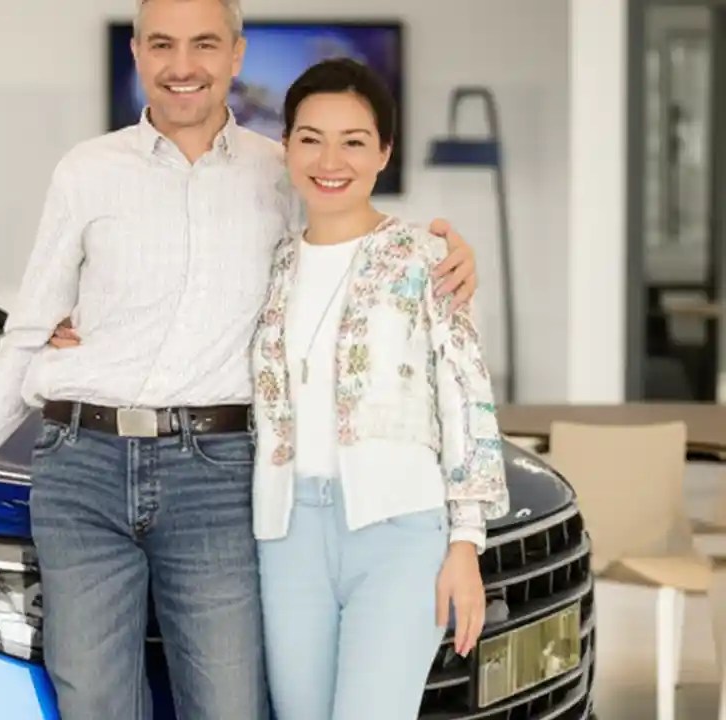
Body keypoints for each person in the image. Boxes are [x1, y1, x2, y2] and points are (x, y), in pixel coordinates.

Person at [0, 1, 479, 717]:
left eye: (205, 44)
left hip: (214, 473)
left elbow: (350, 242)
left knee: (230, 703)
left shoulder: (282, 170)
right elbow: (26, 336)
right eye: (163, 45)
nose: (183, 66)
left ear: (237, 56)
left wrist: (446, 256)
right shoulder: (86, 172)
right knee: (94, 701)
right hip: (79, 464)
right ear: (138, 54)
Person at [249, 58, 509, 719]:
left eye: (354, 141)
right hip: (287, 536)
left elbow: (465, 397)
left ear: (384, 152)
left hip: (400, 534)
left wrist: (466, 544)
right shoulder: (267, 262)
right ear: (285, 146)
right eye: (310, 138)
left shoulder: (425, 258)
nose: (329, 159)